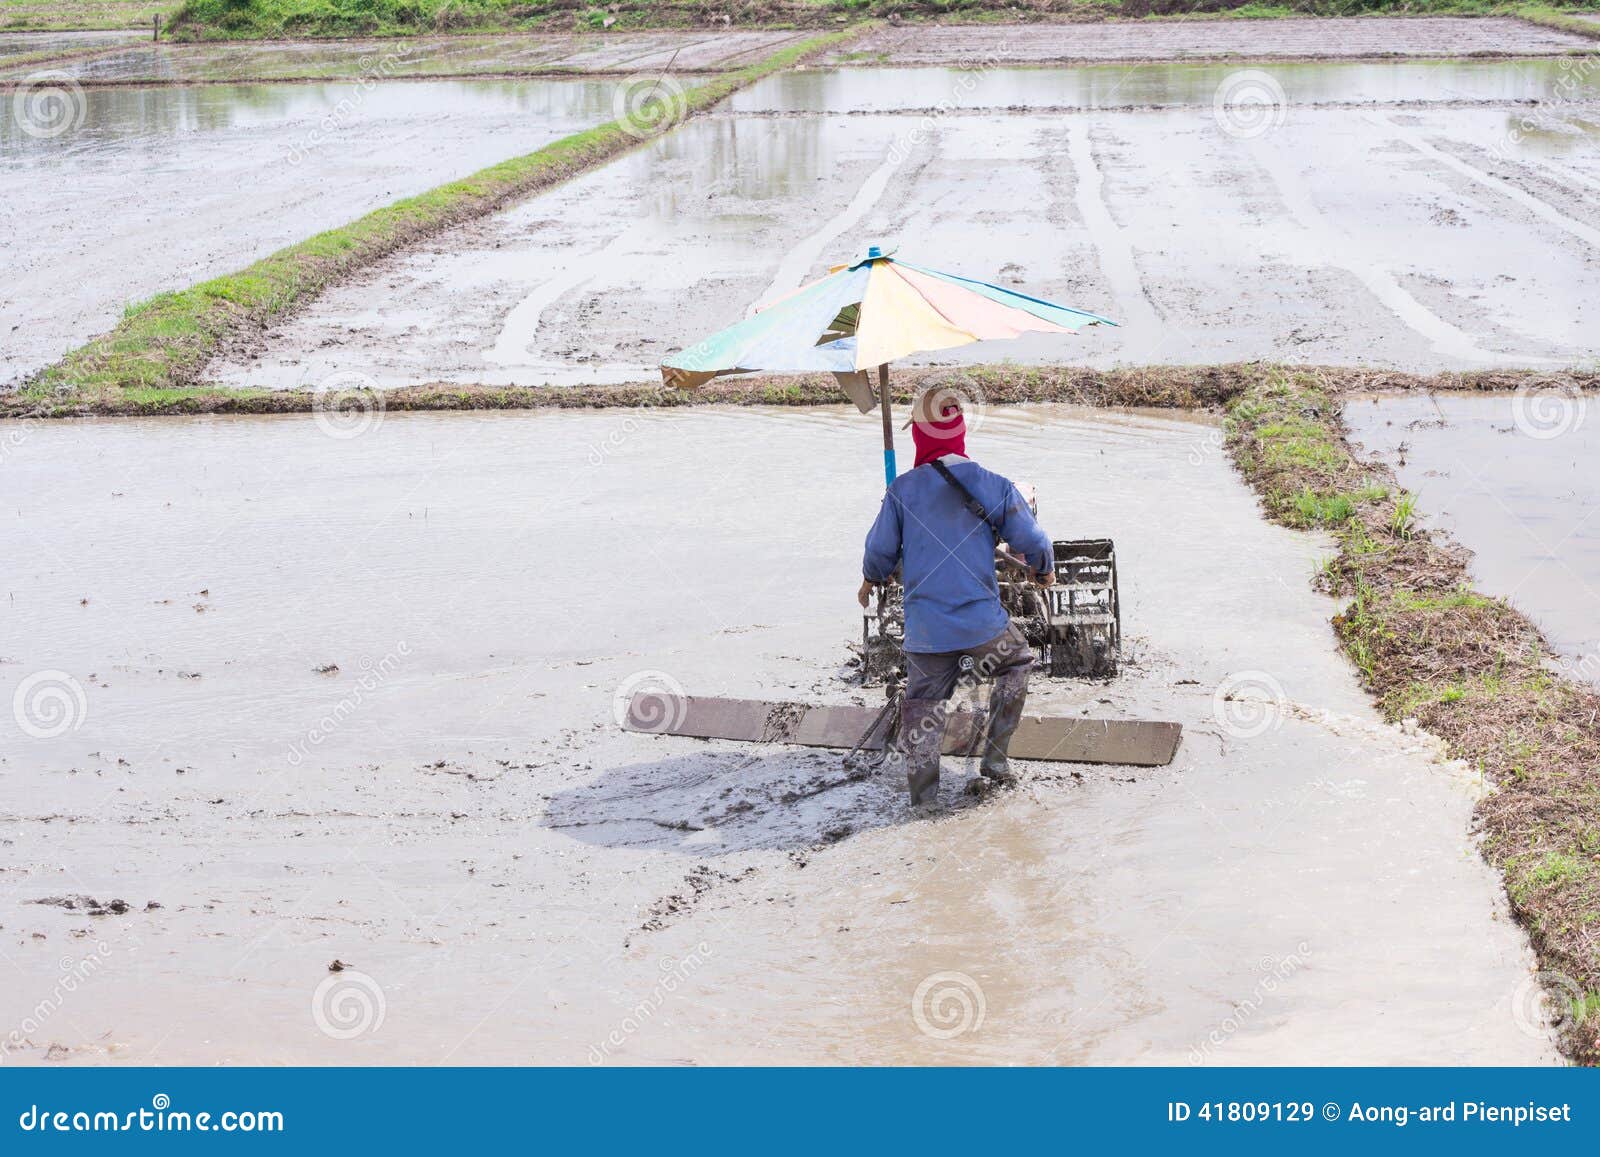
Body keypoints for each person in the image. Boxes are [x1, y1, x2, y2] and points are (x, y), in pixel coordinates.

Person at [858, 389, 1055, 805]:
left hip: (927, 630)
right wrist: (1044, 569)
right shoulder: (994, 485)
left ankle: (924, 800)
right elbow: (1032, 539)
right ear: (960, 431)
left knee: (923, 703)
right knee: (1017, 662)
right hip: (983, 625)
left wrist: (869, 580)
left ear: (920, 437)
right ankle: (996, 760)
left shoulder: (901, 492)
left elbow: (879, 553)